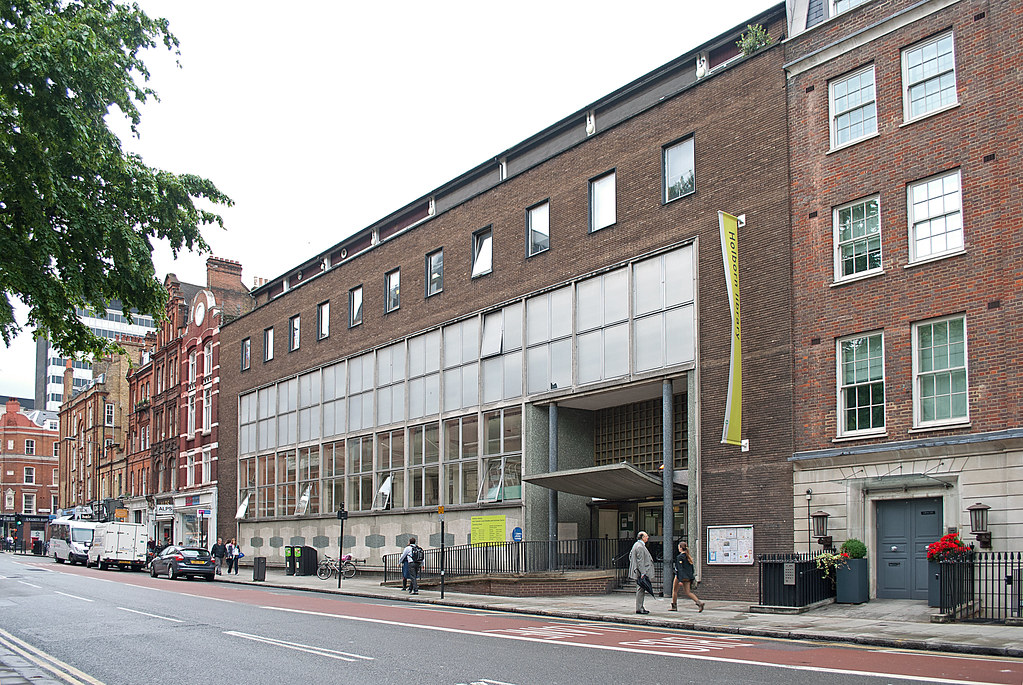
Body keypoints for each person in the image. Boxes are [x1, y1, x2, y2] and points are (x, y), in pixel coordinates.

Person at [670, 540, 705, 612]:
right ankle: (699, 603)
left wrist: (680, 579)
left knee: (674, 591)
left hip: (679, 576)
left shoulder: (679, 557)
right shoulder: (688, 557)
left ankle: (674, 606)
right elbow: (691, 569)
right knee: (688, 592)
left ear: (680, 548)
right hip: (688, 577)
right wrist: (691, 578)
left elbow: (679, 569)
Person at [628, 531, 655, 614]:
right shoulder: (640, 546)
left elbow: (630, 556)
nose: (648, 537)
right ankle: (639, 608)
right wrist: (643, 573)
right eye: (646, 536)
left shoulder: (637, 545)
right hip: (641, 573)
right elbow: (640, 561)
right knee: (640, 590)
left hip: (639, 571)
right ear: (642, 537)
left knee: (641, 590)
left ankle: (641, 607)